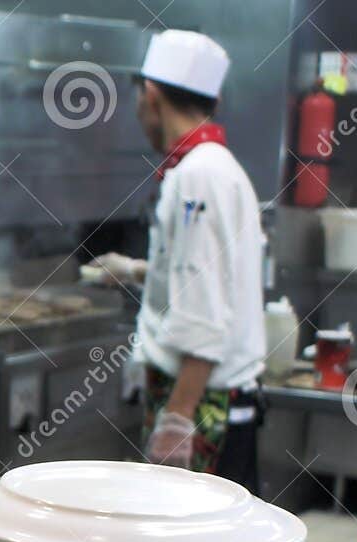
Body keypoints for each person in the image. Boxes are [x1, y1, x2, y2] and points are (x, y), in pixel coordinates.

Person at [88, 29, 266, 491]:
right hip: (219, 401)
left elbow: (204, 311)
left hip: (206, 406)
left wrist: (178, 419)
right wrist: (137, 270)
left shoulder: (198, 177)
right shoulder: (216, 166)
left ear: (150, 95)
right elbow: (214, 274)